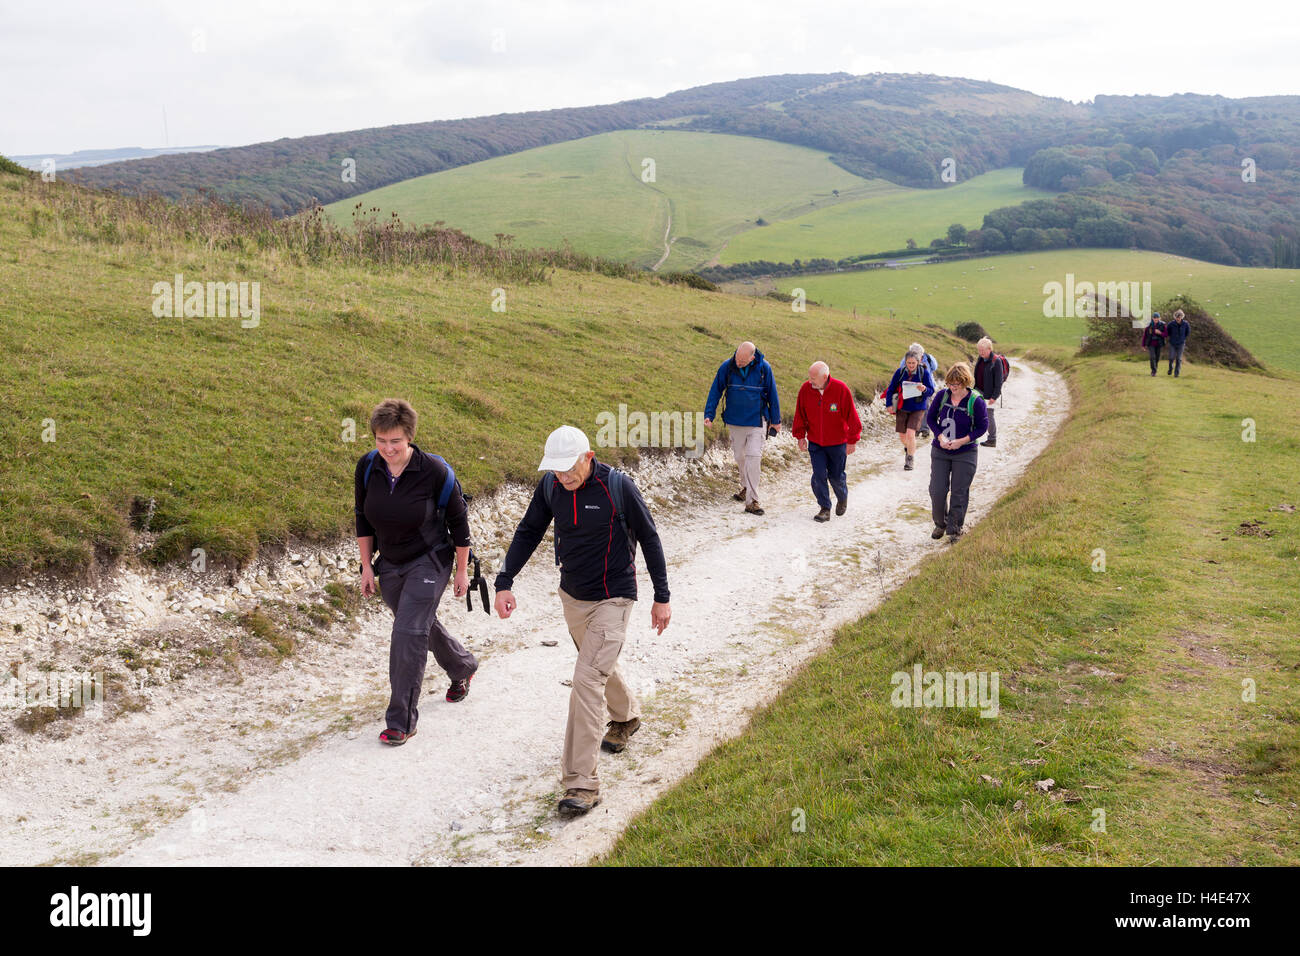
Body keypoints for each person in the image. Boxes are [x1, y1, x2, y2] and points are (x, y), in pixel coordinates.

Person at [493, 426, 671, 815]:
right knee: (597, 666)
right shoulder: (550, 488)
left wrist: (662, 597)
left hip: (615, 596)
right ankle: (626, 717)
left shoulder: (618, 487)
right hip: (573, 596)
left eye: (569, 470)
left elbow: (651, 538)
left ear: (588, 458)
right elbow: (528, 531)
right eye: (555, 471)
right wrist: (504, 580)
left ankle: (581, 784)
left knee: (587, 679)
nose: (563, 478)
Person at [355, 399, 478, 747]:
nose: (388, 449)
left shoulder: (435, 472)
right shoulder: (367, 467)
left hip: (430, 559)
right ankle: (462, 666)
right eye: (381, 441)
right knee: (418, 625)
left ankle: (401, 721)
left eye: (395, 441)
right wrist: (367, 565)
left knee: (407, 631)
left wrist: (461, 572)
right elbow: (362, 517)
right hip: (390, 563)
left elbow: (460, 524)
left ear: (409, 437)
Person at [703, 342, 781, 515]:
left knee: (753, 457)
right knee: (740, 457)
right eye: (737, 358)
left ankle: (752, 501)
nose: (738, 363)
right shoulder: (727, 366)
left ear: (752, 358)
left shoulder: (764, 368)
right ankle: (745, 486)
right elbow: (715, 390)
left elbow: (772, 394)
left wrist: (776, 420)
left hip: (756, 421)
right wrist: (709, 414)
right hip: (735, 420)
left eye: (742, 361)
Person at [792, 361, 863, 522]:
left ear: (825, 377)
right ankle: (825, 508)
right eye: (809, 377)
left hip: (838, 443)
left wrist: (852, 441)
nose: (810, 381)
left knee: (836, 476)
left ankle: (842, 497)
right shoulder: (805, 390)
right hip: (816, 443)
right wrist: (800, 436)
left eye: (813, 378)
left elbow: (852, 418)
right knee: (818, 475)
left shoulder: (841, 389)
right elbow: (800, 414)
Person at [925, 363, 988, 542]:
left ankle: (954, 529)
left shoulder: (975, 400)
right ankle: (940, 523)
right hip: (941, 450)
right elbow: (930, 418)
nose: (953, 388)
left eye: (957, 384)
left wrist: (962, 441)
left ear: (965, 382)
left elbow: (983, 427)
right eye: (950, 384)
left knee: (959, 491)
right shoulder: (942, 396)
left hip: (965, 452)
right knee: (937, 490)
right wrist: (940, 437)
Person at [883, 351, 936, 471]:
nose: (911, 365)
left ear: (918, 362)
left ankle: (910, 459)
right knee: (902, 436)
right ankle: (909, 449)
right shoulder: (900, 372)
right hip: (902, 406)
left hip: (918, 407)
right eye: (908, 363)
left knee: (910, 434)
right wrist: (889, 404)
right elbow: (891, 389)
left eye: (913, 363)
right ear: (905, 362)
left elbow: (931, 390)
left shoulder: (924, 373)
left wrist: (924, 389)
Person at [972, 337, 1005, 448]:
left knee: (988, 416)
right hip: (977, 391)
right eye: (979, 350)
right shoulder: (980, 359)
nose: (980, 352)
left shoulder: (997, 361)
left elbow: (999, 382)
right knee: (971, 413)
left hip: (989, 395)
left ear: (989, 349)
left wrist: (994, 397)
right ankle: (970, 438)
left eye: (982, 350)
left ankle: (992, 439)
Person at [900, 343, 938, 438]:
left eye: (918, 355)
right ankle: (915, 429)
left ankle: (924, 429)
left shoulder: (929, 359)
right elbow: (901, 369)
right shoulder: (906, 360)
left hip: (926, 386)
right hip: (911, 387)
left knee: (925, 407)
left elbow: (934, 367)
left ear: (922, 354)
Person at [1142, 311, 1167, 377]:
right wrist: (1143, 345)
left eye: (1157, 318)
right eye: (1155, 318)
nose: (1156, 319)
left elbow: (1166, 334)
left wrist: (1160, 333)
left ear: (1160, 318)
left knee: (1157, 358)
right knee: (1152, 357)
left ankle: (1154, 369)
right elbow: (1145, 336)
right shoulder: (1148, 325)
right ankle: (1153, 371)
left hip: (1159, 344)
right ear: (1152, 318)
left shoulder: (1163, 325)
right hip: (1151, 344)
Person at [1166, 309, 1191, 377]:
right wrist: (1171, 337)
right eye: (1177, 317)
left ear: (1182, 317)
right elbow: (1167, 332)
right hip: (1172, 343)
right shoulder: (1171, 324)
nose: (1178, 318)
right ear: (1175, 317)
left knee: (1178, 358)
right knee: (1171, 358)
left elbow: (1187, 332)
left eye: (1179, 317)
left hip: (1181, 344)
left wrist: (1182, 338)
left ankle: (1176, 373)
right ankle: (1170, 369)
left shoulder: (1186, 324)